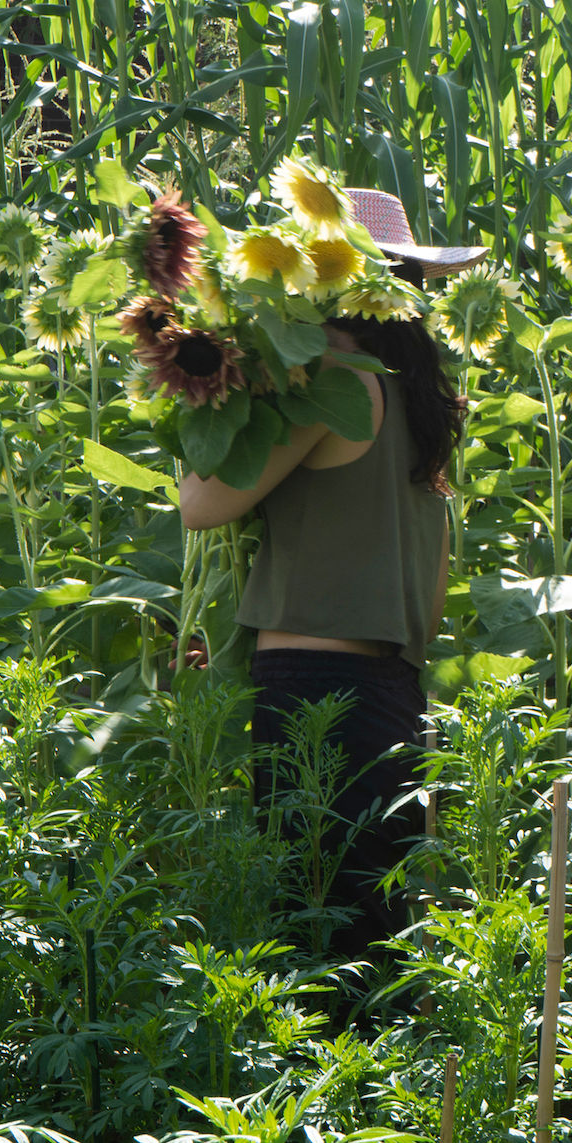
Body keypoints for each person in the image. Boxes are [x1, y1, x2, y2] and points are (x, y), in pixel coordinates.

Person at [178, 188, 487, 961]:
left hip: (312, 691)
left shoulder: (331, 384)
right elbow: (432, 603)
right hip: (395, 695)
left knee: (313, 938)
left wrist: (211, 393)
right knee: (375, 940)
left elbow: (200, 505)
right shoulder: (419, 403)